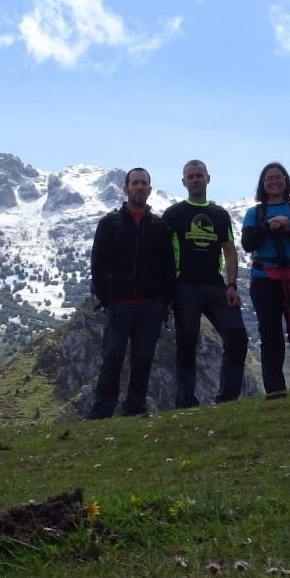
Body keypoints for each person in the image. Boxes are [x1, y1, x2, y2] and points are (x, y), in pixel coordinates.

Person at [87, 167, 177, 418]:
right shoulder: (110, 223)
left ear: (150, 189)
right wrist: (108, 298)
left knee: (143, 357)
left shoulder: (160, 226)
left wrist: (164, 301)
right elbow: (98, 263)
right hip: (119, 303)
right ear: (126, 189)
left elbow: (168, 266)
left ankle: (135, 407)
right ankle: (102, 409)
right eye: (135, 183)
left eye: (144, 183)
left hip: (150, 305)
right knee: (112, 357)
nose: (139, 187)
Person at [160, 160, 248, 407]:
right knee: (187, 342)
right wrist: (166, 293)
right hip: (184, 287)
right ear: (184, 182)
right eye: (191, 176)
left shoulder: (220, 215)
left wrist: (232, 285)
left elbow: (230, 252)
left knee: (237, 336)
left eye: (199, 175)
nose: (195, 179)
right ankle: (186, 401)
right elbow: (161, 254)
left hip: (215, 286)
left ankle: (228, 397)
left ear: (208, 179)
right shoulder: (174, 214)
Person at [241, 162, 290, 398]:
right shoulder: (255, 213)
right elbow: (248, 244)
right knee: (270, 334)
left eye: (278, 177)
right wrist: (267, 227)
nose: (274, 181)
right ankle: (275, 388)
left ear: (286, 181)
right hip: (265, 278)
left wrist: (289, 228)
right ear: (262, 185)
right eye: (268, 179)